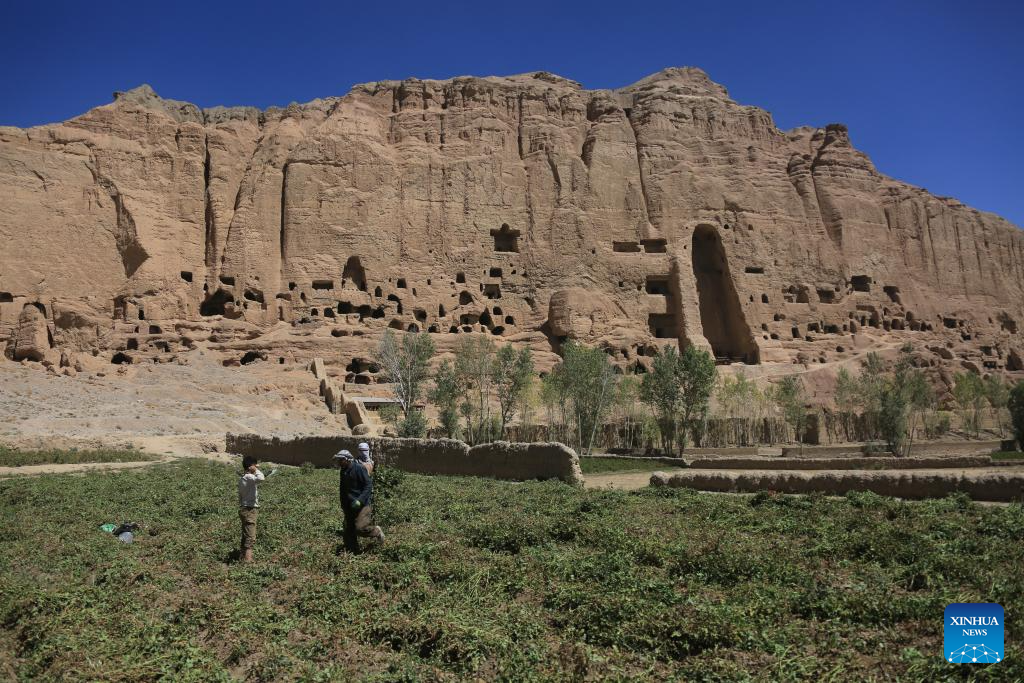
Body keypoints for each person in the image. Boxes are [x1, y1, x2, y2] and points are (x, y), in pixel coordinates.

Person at [334, 449, 383, 553]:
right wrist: (343, 504)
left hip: (362, 505)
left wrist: (360, 500)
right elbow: (342, 489)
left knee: (360, 528)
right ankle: (353, 552)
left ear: (347, 459)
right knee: (348, 531)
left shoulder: (359, 469)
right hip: (349, 505)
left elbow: (368, 485)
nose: (338, 462)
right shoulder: (343, 470)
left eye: (340, 460)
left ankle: (377, 531)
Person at [237, 455, 265, 563]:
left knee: (245, 534)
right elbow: (261, 478)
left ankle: (241, 557)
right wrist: (255, 469)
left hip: (243, 508)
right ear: (250, 467)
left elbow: (240, 496)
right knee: (250, 536)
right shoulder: (249, 477)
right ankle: (248, 562)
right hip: (250, 510)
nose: (256, 467)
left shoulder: (242, 479)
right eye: (255, 465)